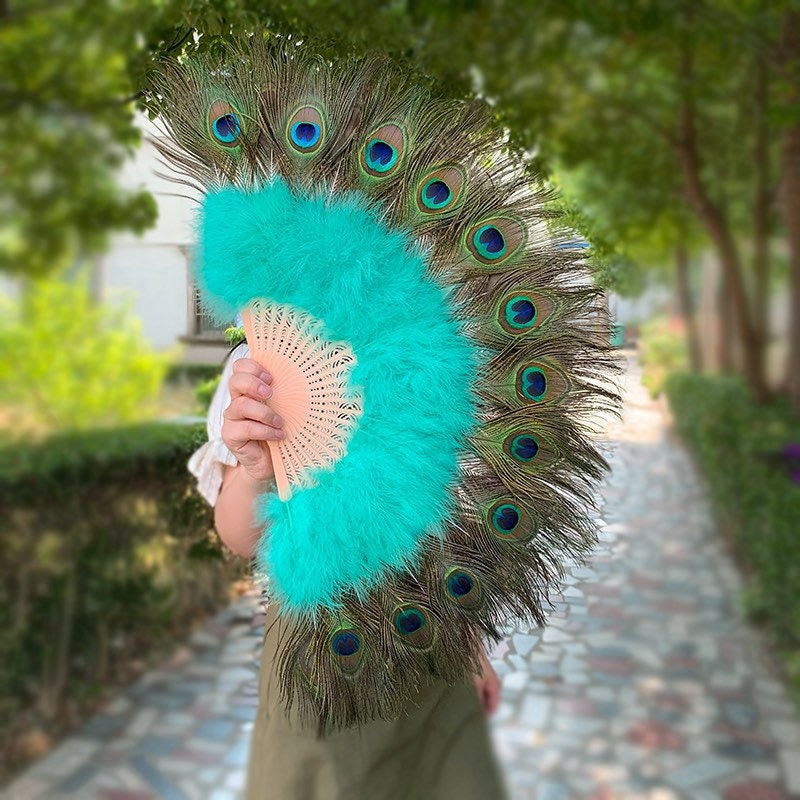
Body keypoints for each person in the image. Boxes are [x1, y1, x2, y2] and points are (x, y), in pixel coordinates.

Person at [189, 341, 508, 800]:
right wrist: (256, 471)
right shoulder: (259, 362)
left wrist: (473, 652)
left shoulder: (428, 346)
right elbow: (240, 537)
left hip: (436, 644)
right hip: (320, 654)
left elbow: (448, 531)